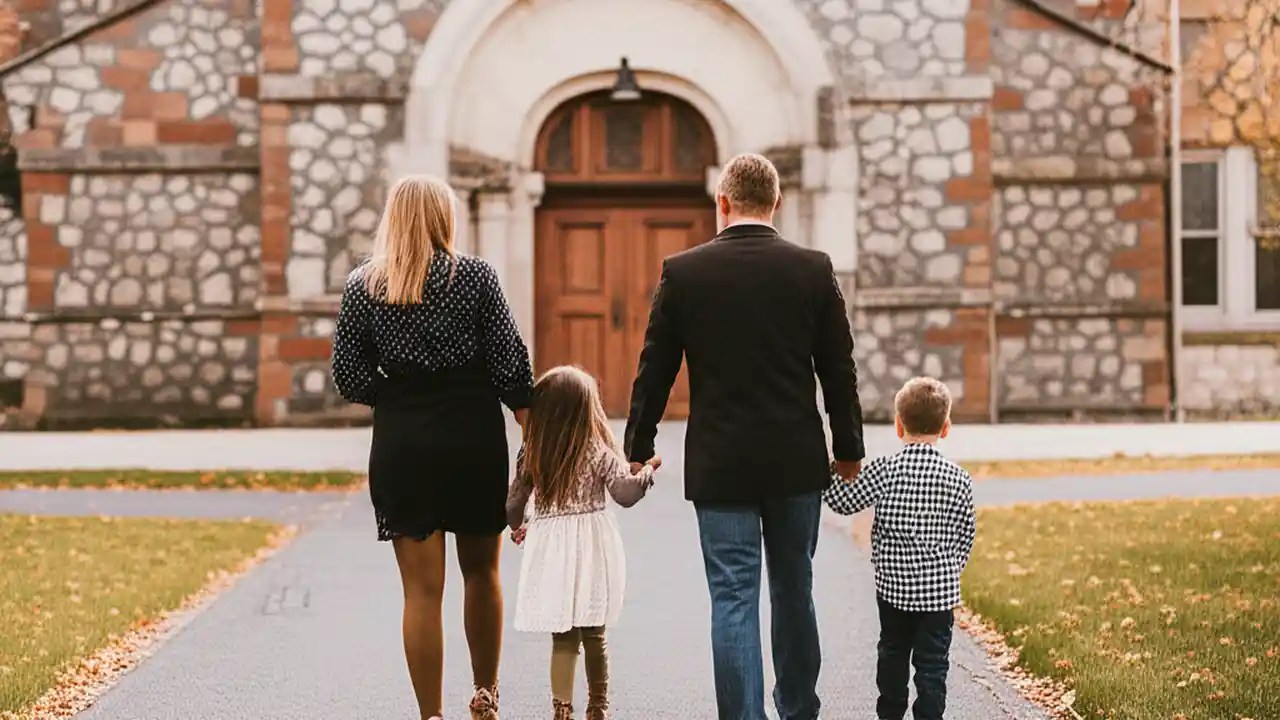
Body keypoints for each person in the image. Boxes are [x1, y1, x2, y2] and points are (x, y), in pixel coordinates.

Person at [624, 153, 865, 720]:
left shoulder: (685, 272)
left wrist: (638, 444)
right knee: (793, 588)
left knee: (733, 597)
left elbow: (654, 365)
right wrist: (848, 448)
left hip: (721, 461)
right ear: (776, 203)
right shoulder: (812, 269)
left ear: (722, 203)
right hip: (794, 461)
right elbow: (839, 367)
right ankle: (799, 709)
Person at [332, 175, 533, 720]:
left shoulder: (364, 286)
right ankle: (485, 693)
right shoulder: (475, 278)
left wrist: (397, 397)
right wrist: (532, 435)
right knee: (482, 573)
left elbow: (348, 377)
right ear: (446, 218)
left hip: (405, 444)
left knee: (421, 592)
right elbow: (511, 366)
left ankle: (431, 715)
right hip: (473, 438)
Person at [506, 366, 660, 720]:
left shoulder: (535, 451)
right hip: (591, 547)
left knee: (562, 634)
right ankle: (598, 706)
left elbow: (514, 504)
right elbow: (624, 493)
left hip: (552, 550)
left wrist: (520, 526)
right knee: (594, 631)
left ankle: (561, 706)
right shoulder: (595, 449)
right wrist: (648, 471)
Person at [822, 377, 977, 720]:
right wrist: (951, 569)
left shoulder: (886, 470)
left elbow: (841, 501)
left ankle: (890, 713)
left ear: (898, 425)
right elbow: (966, 532)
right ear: (946, 428)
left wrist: (829, 466)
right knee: (933, 666)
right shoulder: (959, 478)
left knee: (892, 654)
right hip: (939, 595)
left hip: (893, 591)